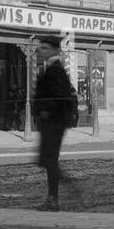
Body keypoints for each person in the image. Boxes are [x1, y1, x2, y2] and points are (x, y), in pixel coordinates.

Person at [31, 55, 80, 211]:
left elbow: (59, 96)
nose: (41, 50)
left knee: (48, 159)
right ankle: (56, 195)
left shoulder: (56, 70)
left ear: (53, 49)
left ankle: (54, 198)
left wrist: (46, 110)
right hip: (51, 122)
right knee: (47, 159)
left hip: (53, 122)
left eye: (44, 48)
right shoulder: (51, 68)